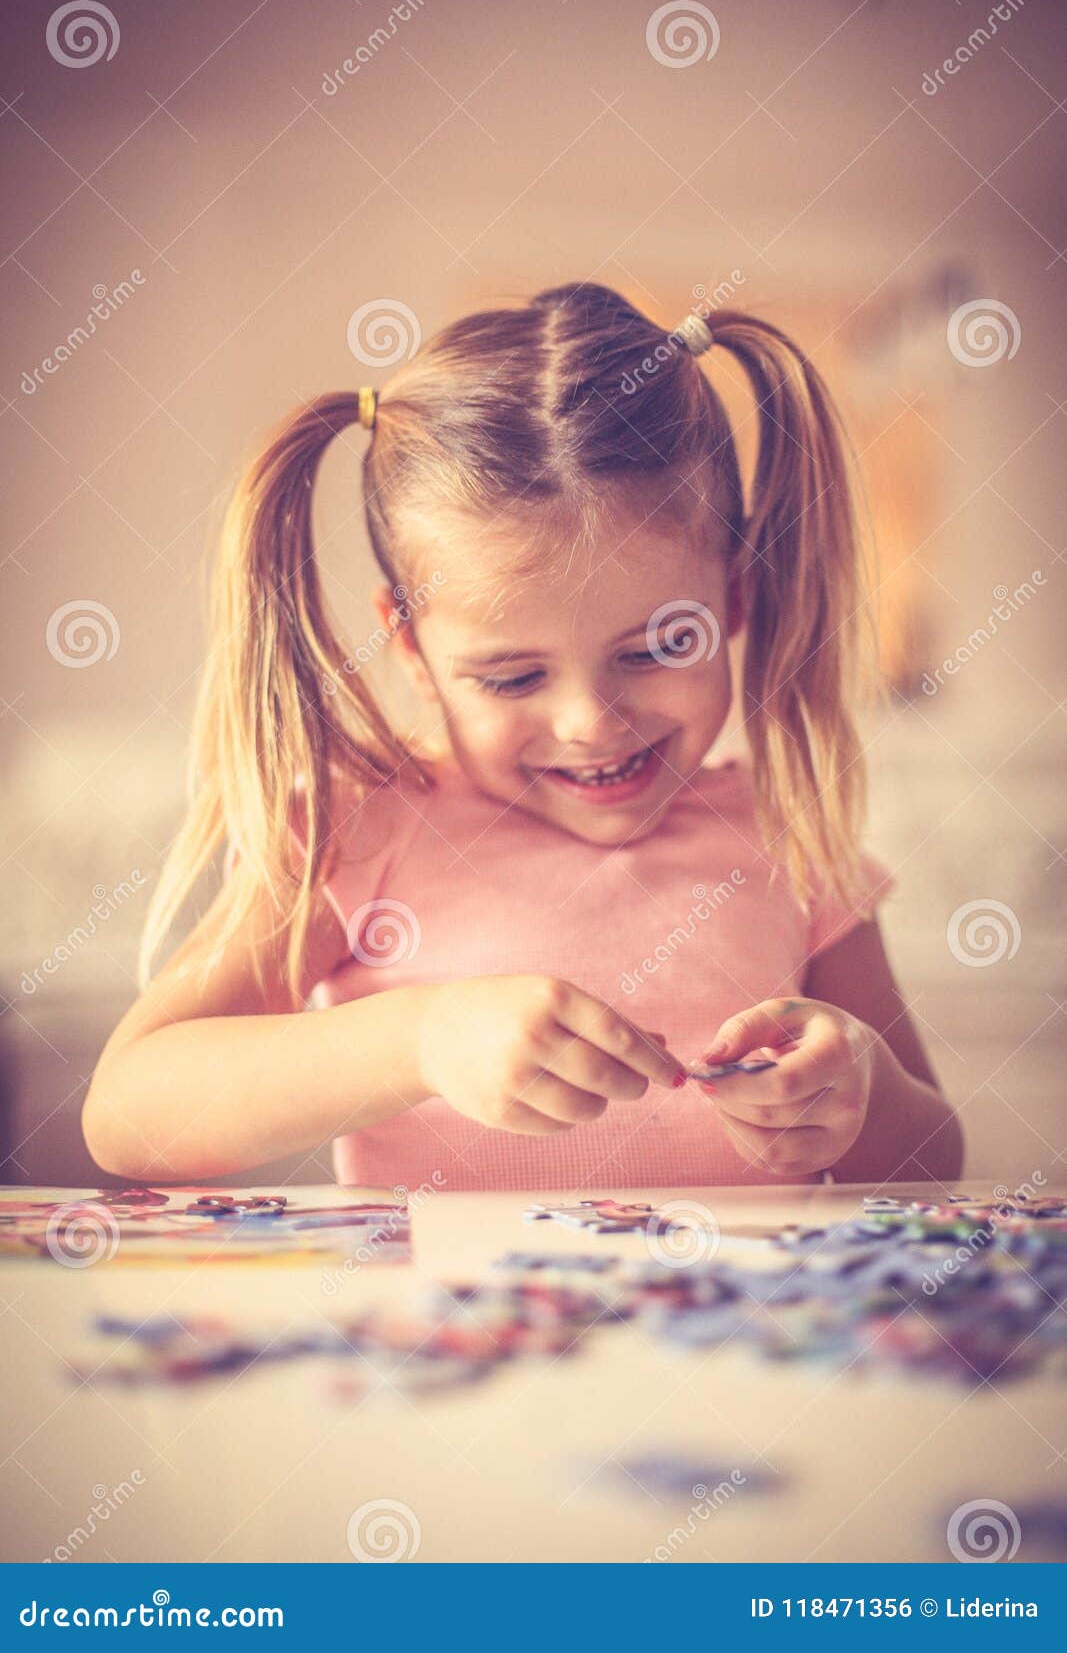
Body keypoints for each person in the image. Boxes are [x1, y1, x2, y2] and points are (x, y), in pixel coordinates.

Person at [84, 283, 963, 1190]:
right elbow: (127, 1115)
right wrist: (419, 1040)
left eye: (655, 649)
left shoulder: (793, 836)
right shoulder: (359, 830)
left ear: (733, 598)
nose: (590, 724)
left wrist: (862, 1094)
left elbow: (934, 1165)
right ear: (411, 647)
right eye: (511, 677)